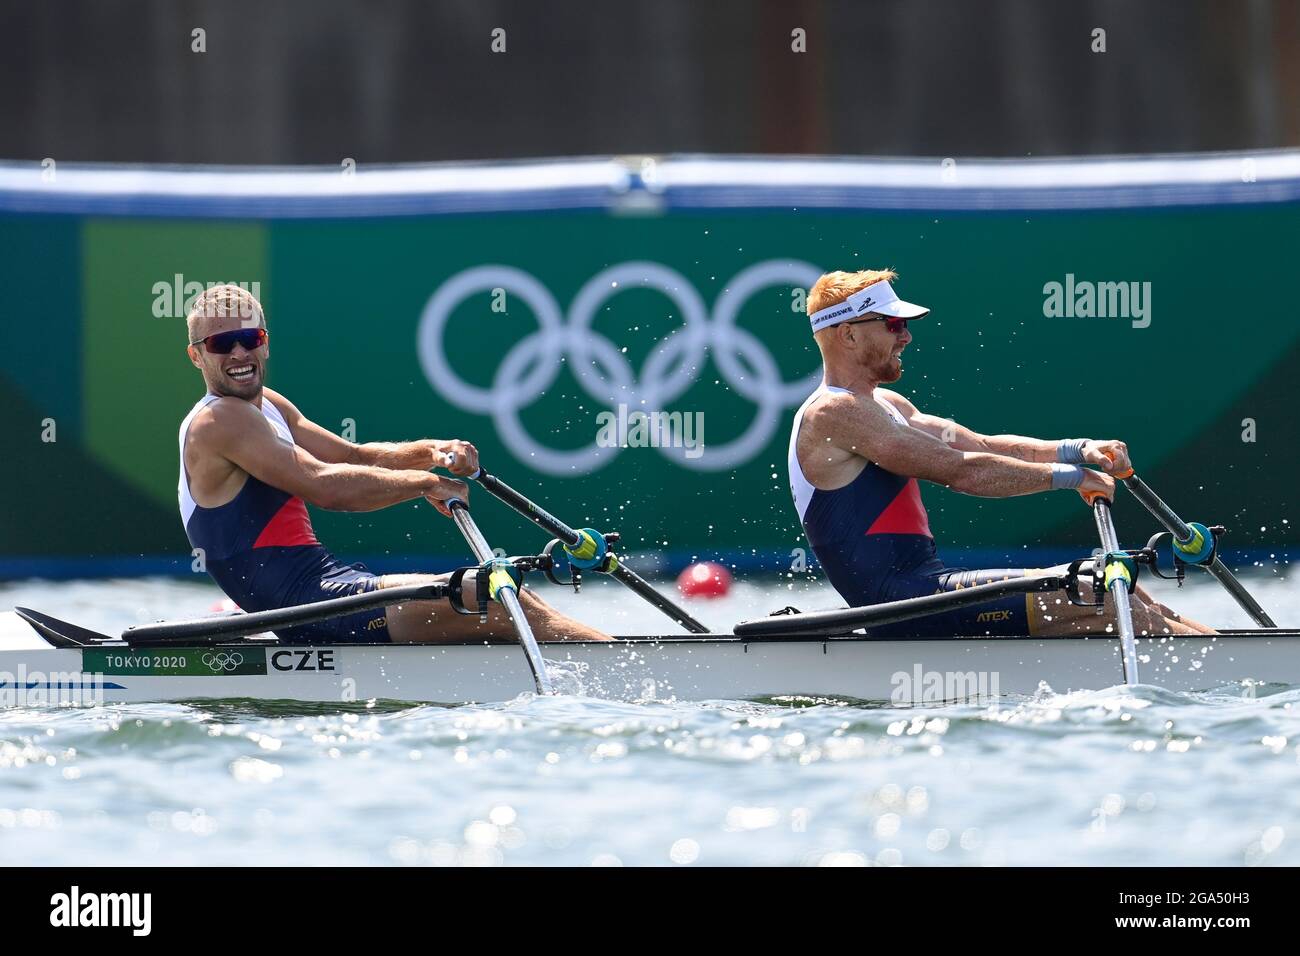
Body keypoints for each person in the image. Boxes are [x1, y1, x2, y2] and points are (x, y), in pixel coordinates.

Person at [788, 269, 1212, 637]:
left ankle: (1237, 662)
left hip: (927, 588)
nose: (906, 335)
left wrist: (1078, 450)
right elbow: (962, 471)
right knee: (1096, 594)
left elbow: (983, 446)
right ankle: (1228, 690)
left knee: (1124, 588)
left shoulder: (889, 406)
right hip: (901, 605)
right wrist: (1071, 478)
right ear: (848, 334)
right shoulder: (834, 413)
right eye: (894, 324)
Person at [179, 284, 609, 644]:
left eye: (249, 339)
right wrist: (423, 484)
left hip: (326, 589)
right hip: (302, 609)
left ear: (265, 343)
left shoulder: (268, 406)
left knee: (509, 599)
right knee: (495, 599)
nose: (238, 353)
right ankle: (624, 673)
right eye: (221, 344)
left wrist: (432, 452)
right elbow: (326, 486)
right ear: (196, 357)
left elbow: (352, 456)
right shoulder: (221, 421)